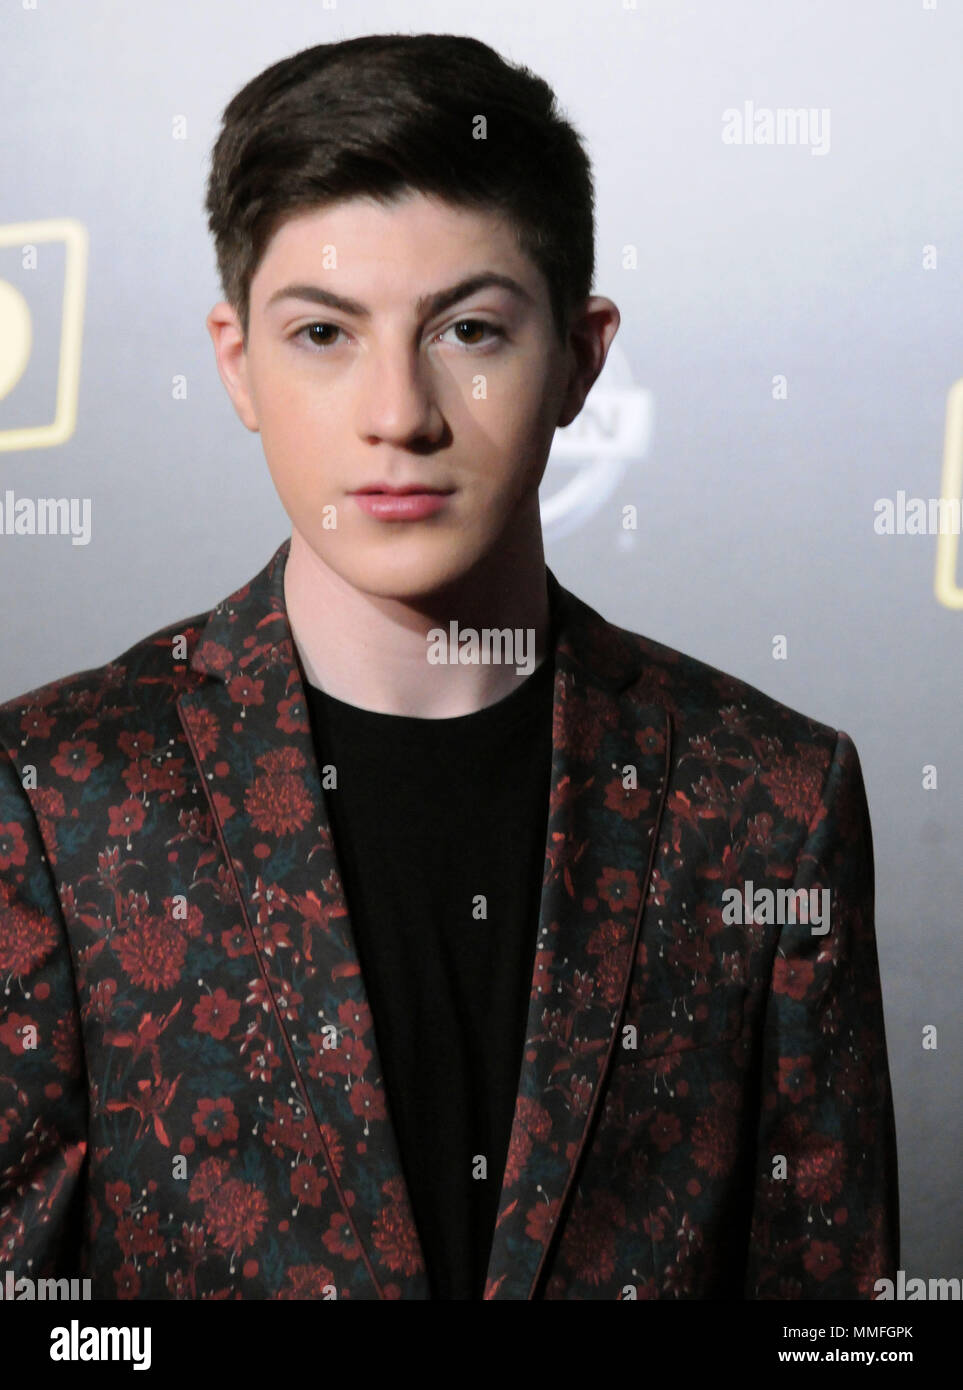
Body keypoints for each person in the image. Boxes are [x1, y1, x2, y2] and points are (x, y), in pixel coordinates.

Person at [0, 32, 897, 1300]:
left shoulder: (770, 803)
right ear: (237, 362)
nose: (399, 414)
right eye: (322, 333)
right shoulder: (56, 793)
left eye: (468, 328)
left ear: (582, 357)